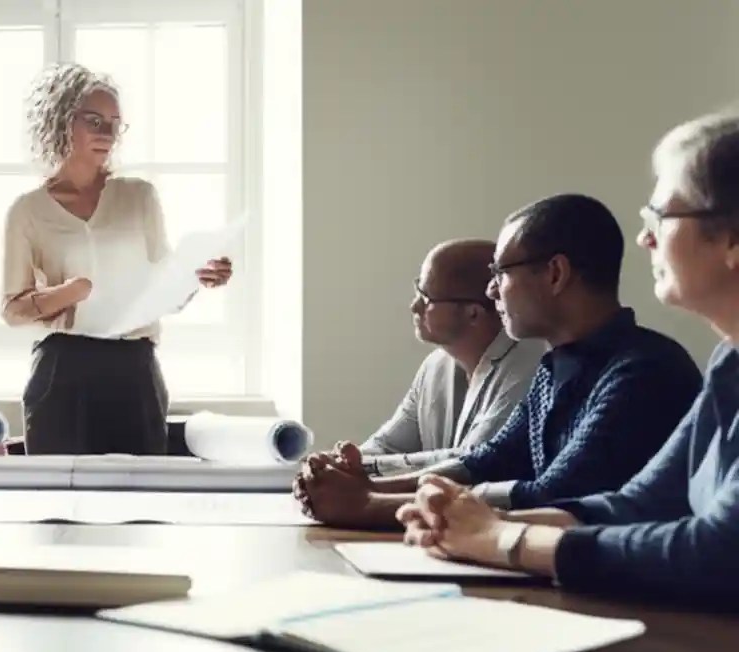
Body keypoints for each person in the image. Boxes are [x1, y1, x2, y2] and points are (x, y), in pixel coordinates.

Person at [398, 110, 739, 603]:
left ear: (731, 238)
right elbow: (638, 504)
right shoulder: (728, 365)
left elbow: (719, 551)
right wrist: (473, 524)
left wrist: (505, 540)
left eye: (660, 217)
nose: (645, 238)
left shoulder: (647, 368)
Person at [296, 193, 702, 527]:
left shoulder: (643, 371)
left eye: (501, 272)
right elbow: (487, 463)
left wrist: (367, 505)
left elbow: (555, 498)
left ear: (555, 274)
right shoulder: (554, 367)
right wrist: (366, 485)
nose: (491, 291)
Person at [0, 62, 233, 455]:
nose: (107, 134)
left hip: (134, 369)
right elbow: (12, 309)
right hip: (61, 369)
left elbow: (164, 286)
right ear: (60, 121)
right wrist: (70, 292)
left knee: (141, 504)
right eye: (94, 121)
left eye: (115, 123)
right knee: (57, 507)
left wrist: (196, 276)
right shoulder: (27, 211)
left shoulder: (139, 197)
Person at [347, 238, 545, 476]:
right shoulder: (436, 365)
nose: (414, 306)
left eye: (426, 298)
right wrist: (339, 463)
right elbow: (388, 445)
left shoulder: (532, 364)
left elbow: (476, 460)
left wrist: (364, 467)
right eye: (417, 290)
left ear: (473, 313)